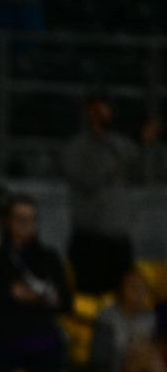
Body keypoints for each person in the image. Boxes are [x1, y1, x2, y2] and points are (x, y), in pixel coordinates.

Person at [62, 91, 158, 295]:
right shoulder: (75, 148)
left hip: (119, 241)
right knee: (90, 300)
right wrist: (105, 149)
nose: (101, 114)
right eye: (96, 110)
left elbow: (140, 173)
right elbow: (90, 181)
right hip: (90, 242)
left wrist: (144, 143)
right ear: (87, 113)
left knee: (122, 299)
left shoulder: (121, 144)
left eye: (105, 109)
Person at [0, 194, 73, 372]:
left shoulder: (49, 258)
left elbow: (67, 302)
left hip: (44, 339)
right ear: (8, 221)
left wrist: (45, 299)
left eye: (31, 219)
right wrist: (11, 294)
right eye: (20, 218)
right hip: (7, 337)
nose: (26, 224)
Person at [90, 268, 167, 372]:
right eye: (134, 288)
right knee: (149, 356)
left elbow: (156, 347)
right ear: (121, 290)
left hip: (146, 370)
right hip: (115, 369)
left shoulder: (150, 318)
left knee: (152, 355)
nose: (139, 293)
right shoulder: (107, 317)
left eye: (143, 288)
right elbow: (99, 357)